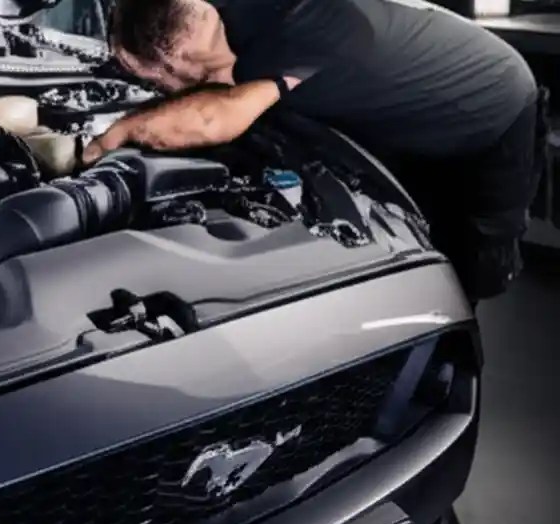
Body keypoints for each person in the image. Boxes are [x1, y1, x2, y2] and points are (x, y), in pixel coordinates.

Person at [84, 0, 545, 301]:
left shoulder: (304, 27)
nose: (155, 88)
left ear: (178, 55)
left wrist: (111, 137)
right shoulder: (213, 18)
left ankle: (445, 371)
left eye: (154, 78)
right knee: (415, 226)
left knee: (468, 272)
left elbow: (213, 118)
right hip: (399, 118)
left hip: (489, 105)